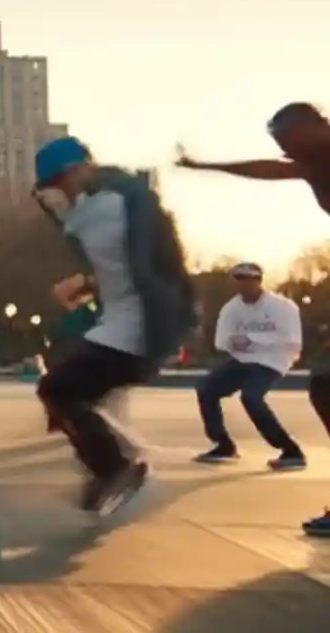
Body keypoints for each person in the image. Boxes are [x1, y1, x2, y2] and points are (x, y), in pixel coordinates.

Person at [175, 103, 330, 534]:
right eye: (281, 146)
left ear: (317, 127)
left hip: (269, 361)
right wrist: (205, 165)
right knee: (324, 386)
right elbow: (263, 169)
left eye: (289, 142)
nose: (285, 153)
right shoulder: (312, 162)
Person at [32, 136, 197, 517]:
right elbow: (120, 265)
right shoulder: (109, 205)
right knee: (66, 391)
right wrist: (88, 285)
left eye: (59, 185)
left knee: (58, 389)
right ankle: (113, 464)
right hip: (123, 326)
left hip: (135, 331)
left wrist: (58, 213)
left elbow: (86, 229)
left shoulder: (104, 207)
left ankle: (115, 467)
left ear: (79, 172)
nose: (58, 195)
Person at [193, 263, 305, 469]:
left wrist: (251, 339)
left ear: (259, 281)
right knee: (206, 389)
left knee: (251, 396)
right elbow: (221, 341)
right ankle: (224, 445)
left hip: (273, 360)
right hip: (242, 360)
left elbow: (292, 340)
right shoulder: (231, 308)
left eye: (248, 280)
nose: (243, 286)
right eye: (238, 280)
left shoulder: (283, 307)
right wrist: (237, 343)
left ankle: (291, 450)